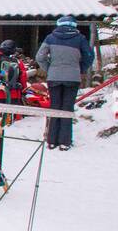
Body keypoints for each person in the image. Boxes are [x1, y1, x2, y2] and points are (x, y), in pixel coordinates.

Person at [36, 16, 94, 150]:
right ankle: (65, 142)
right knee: (67, 108)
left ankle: (51, 141)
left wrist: (49, 69)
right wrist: (80, 69)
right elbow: (89, 56)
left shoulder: (50, 38)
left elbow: (40, 57)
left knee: (55, 107)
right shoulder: (80, 39)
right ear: (74, 25)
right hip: (72, 78)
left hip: (54, 77)